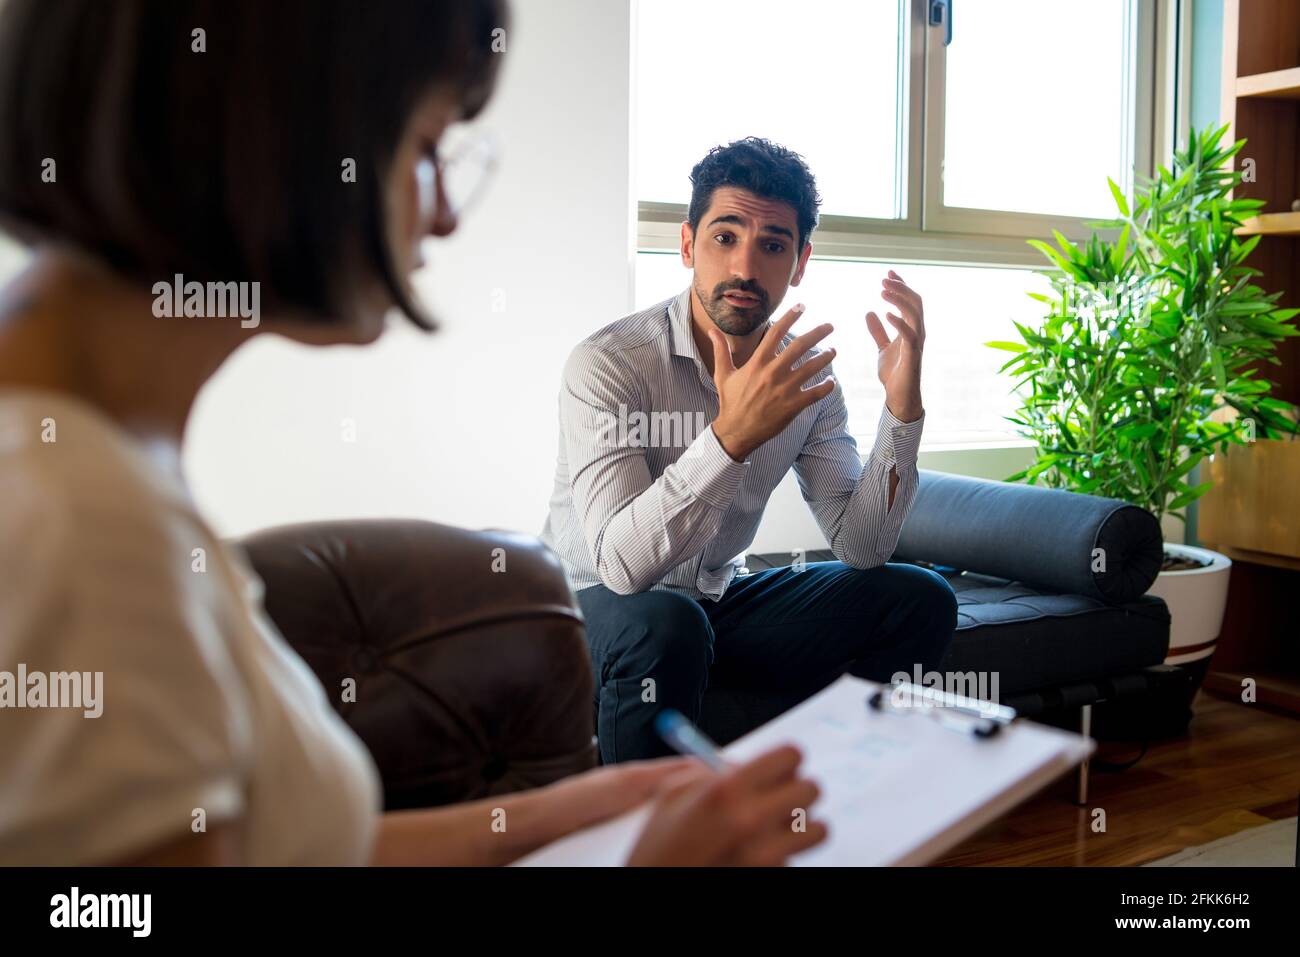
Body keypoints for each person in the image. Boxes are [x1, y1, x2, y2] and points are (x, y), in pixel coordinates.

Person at [0, 0, 825, 867]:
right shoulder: (76, 519)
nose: (444, 215)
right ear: (272, 134)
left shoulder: (100, 467)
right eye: (428, 147)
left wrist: (579, 814)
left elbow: (285, 853)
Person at [540, 137, 959, 762]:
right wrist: (730, 438)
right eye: (724, 236)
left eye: (772, 245)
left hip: (713, 600)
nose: (744, 269)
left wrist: (903, 409)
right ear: (687, 244)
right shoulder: (608, 365)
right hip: (587, 607)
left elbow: (863, 547)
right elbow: (621, 568)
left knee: (918, 598)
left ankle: (852, 797)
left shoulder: (808, 383)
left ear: (800, 261)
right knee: (666, 623)